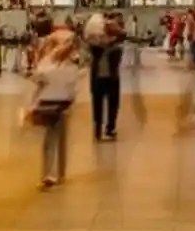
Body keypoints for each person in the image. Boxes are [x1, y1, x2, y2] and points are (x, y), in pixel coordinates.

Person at [31, 37, 79, 190]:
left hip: (48, 102)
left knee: (49, 141)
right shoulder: (71, 66)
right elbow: (72, 87)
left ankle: (48, 173)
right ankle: (60, 173)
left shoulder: (48, 64)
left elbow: (37, 77)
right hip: (63, 103)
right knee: (61, 139)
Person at [88, 16, 125, 141]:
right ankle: (98, 128)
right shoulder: (96, 47)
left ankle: (110, 128)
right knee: (98, 105)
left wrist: (108, 42)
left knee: (112, 104)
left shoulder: (116, 48)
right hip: (100, 78)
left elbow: (116, 49)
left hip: (110, 78)